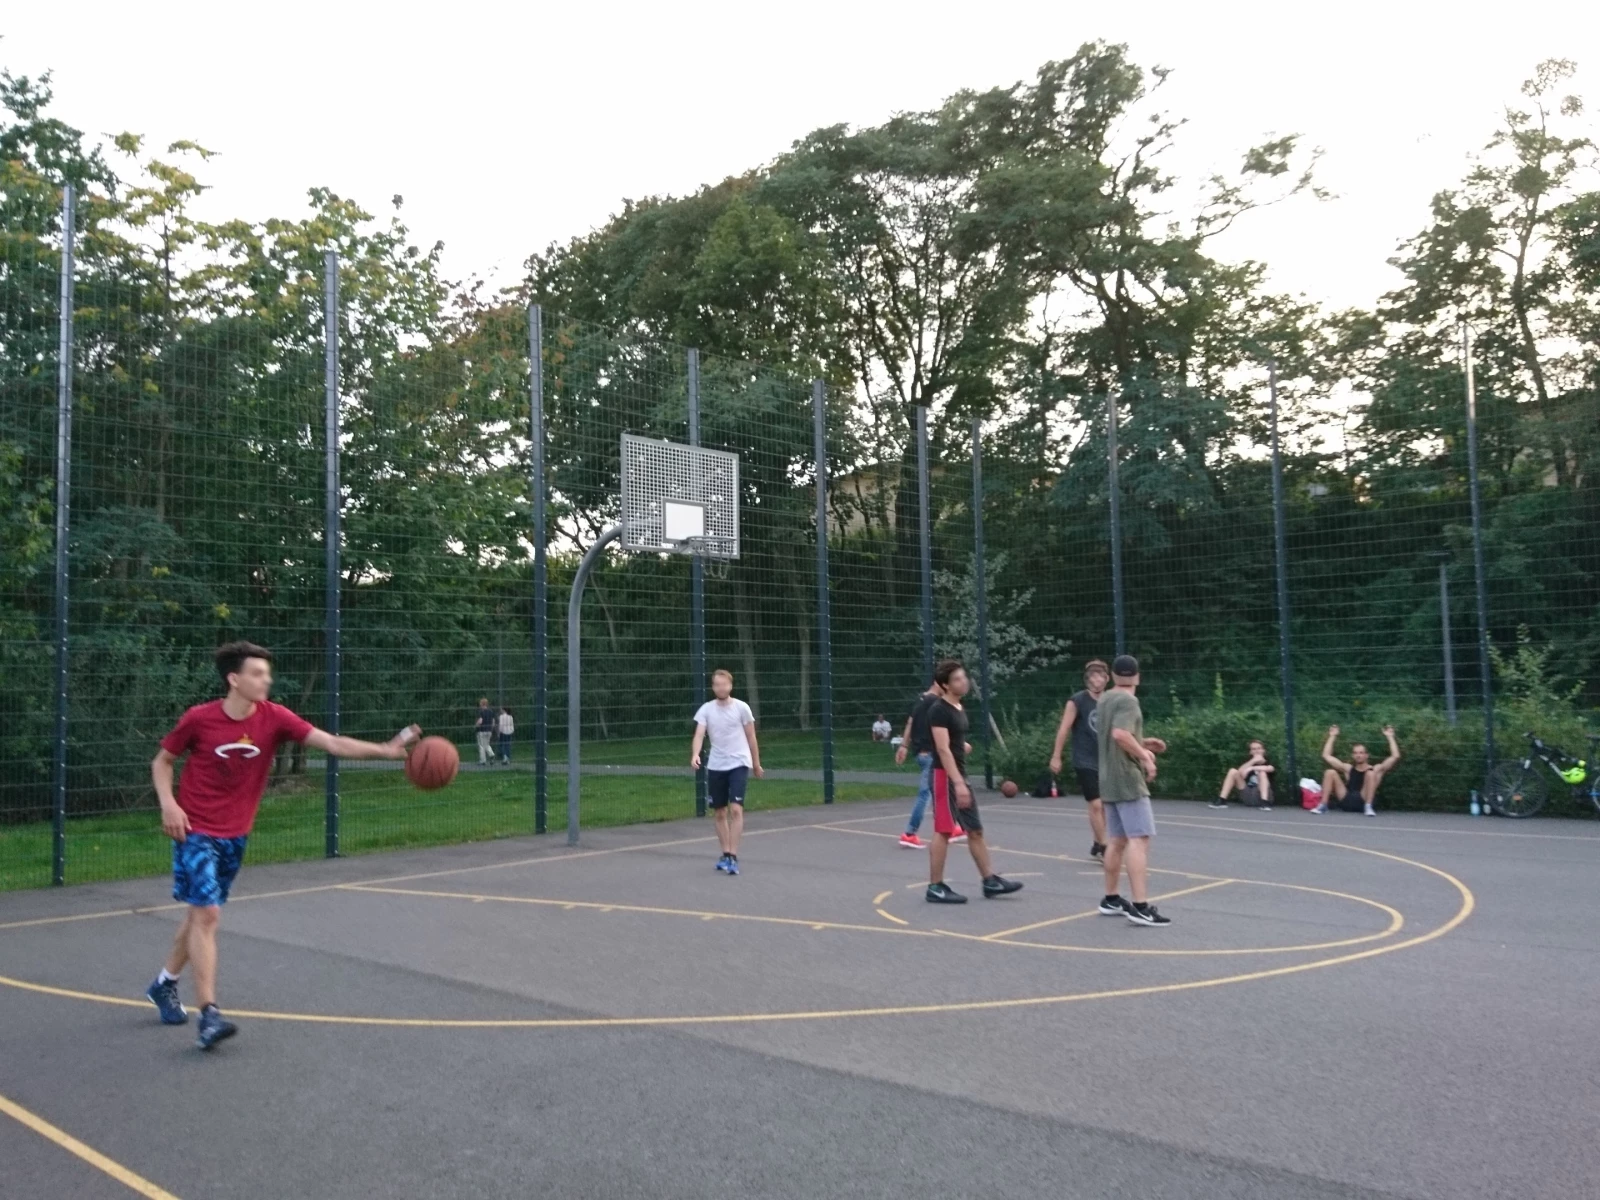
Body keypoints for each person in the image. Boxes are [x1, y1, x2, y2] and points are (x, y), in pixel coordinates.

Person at [146, 641, 418, 1049]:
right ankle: (209, 1015)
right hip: (195, 830)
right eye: (257, 673)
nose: (266, 680)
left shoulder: (275, 718)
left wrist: (384, 749)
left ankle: (164, 983)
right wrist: (169, 804)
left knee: (199, 914)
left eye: (267, 674)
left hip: (235, 834)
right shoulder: (199, 719)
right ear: (234, 679)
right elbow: (162, 761)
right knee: (208, 915)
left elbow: (332, 743)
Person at [924, 659, 1022, 904]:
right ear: (945, 685)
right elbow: (942, 749)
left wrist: (962, 746)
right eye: (957, 679)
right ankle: (935, 887)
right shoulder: (938, 709)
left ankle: (990, 881)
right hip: (945, 776)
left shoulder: (958, 706)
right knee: (943, 831)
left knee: (975, 829)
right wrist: (958, 783)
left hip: (959, 775)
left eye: (963, 677)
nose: (964, 681)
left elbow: (953, 741)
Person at [1095, 654, 1171, 926]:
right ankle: (1140, 906)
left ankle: (1111, 898)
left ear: (1113, 676)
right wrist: (1144, 757)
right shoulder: (1129, 701)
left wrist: (1142, 742)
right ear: (1137, 676)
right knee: (1139, 838)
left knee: (1117, 840)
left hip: (1108, 776)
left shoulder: (1105, 698)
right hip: (1127, 777)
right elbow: (1119, 734)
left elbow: (1115, 735)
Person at [690, 669, 764, 875]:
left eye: (724, 684)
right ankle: (725, 854)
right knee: (720, 812)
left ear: (730, 686)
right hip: (716, 765)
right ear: (713, 687)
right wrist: (695, 754)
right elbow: (699, 734)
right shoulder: (706, 709)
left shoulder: (742, 708)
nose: (721, 688)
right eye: (717, 684)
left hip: (739, 762)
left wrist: (756, 764)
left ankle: (733, 856)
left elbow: (751, 737)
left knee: (736, 809)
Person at [1048, 658, 1112, 862]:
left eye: (1099, 675)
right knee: (1095, 804)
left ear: (1107, 678)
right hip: (1084, 759)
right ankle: (1104, 847)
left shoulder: (1111, 701)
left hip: (1106, 759)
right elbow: (1064, 728)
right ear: (1087, 678)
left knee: (1105, 806)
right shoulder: (1077, 700)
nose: (1095, 679)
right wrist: (1056, 756)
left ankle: (1097, 842)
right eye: (1092, 675)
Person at [1311, 725, 1400, 816]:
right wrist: (1332, 736)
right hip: (1347, 801)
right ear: (1353, 755)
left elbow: (1395, 756)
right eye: (1356, 753)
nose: (1358, 755)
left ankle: (1368, 806)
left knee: (1370, 773)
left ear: (1366, 755)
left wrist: (1390, 737)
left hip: (1363, 800)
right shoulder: (1348, 769)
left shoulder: (1376, 769)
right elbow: (1326, 756)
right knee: (1330, 772)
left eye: (1361, 753)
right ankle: (1323, 805)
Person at [1209, 739, 1275, 809]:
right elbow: (1241, 773)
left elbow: (1270, 769)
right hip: (1248, 794)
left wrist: (1251, 768)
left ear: (1263, 750)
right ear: (1250, 752)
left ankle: (1264, 803)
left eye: (1259, 748)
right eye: (1254, 749)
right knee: (1233, 771)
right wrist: (1253, 761)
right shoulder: (1248, 762)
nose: (1257, 751)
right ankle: (1222, 800)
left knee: (1262, 773)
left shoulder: (1269, 761)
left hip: (1264, 795)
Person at [474, 698, 495, 765]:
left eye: (480, 703)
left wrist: (475, 725)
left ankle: (483, 761)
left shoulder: (481, 712)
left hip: (482, 730)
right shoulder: (491, 711)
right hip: (489, 730)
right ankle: (491, 754)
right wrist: (491, 729)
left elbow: (480, 721)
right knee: (486, 744)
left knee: (481, 746)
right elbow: (493, 722)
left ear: (482, 704)